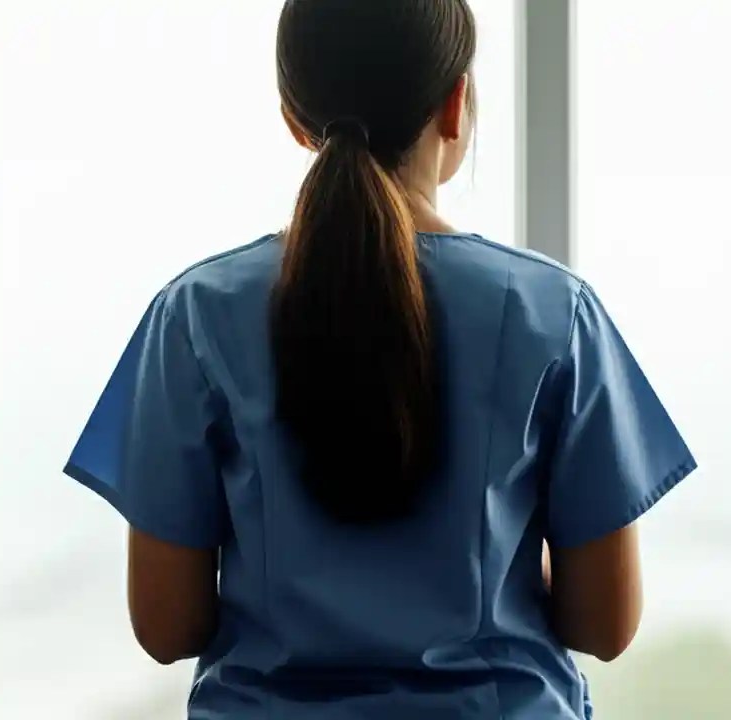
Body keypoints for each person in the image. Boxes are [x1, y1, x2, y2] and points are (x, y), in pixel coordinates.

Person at [63, 0, 696, 717]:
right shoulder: (554, 312)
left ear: (294, 119)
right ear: (456, 105)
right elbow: (605, 627)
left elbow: (166, 625)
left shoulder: (195, 316)